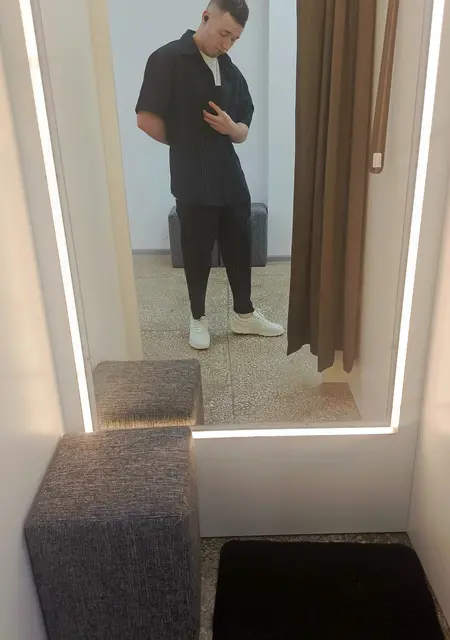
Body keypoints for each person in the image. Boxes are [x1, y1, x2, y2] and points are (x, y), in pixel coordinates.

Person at [136, 0, 284, 350]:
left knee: (239, 244)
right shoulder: (167, 59)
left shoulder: (229, 69)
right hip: (191, 176)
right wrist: (188, 144)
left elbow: (243, 127)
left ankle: (244, 315)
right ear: (206, 17)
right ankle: (198, 318)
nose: (227, 44)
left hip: (230, 175)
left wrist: (233, 129)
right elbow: (146, 119)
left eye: (235, 39)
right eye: (224, 34)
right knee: (197, 249)